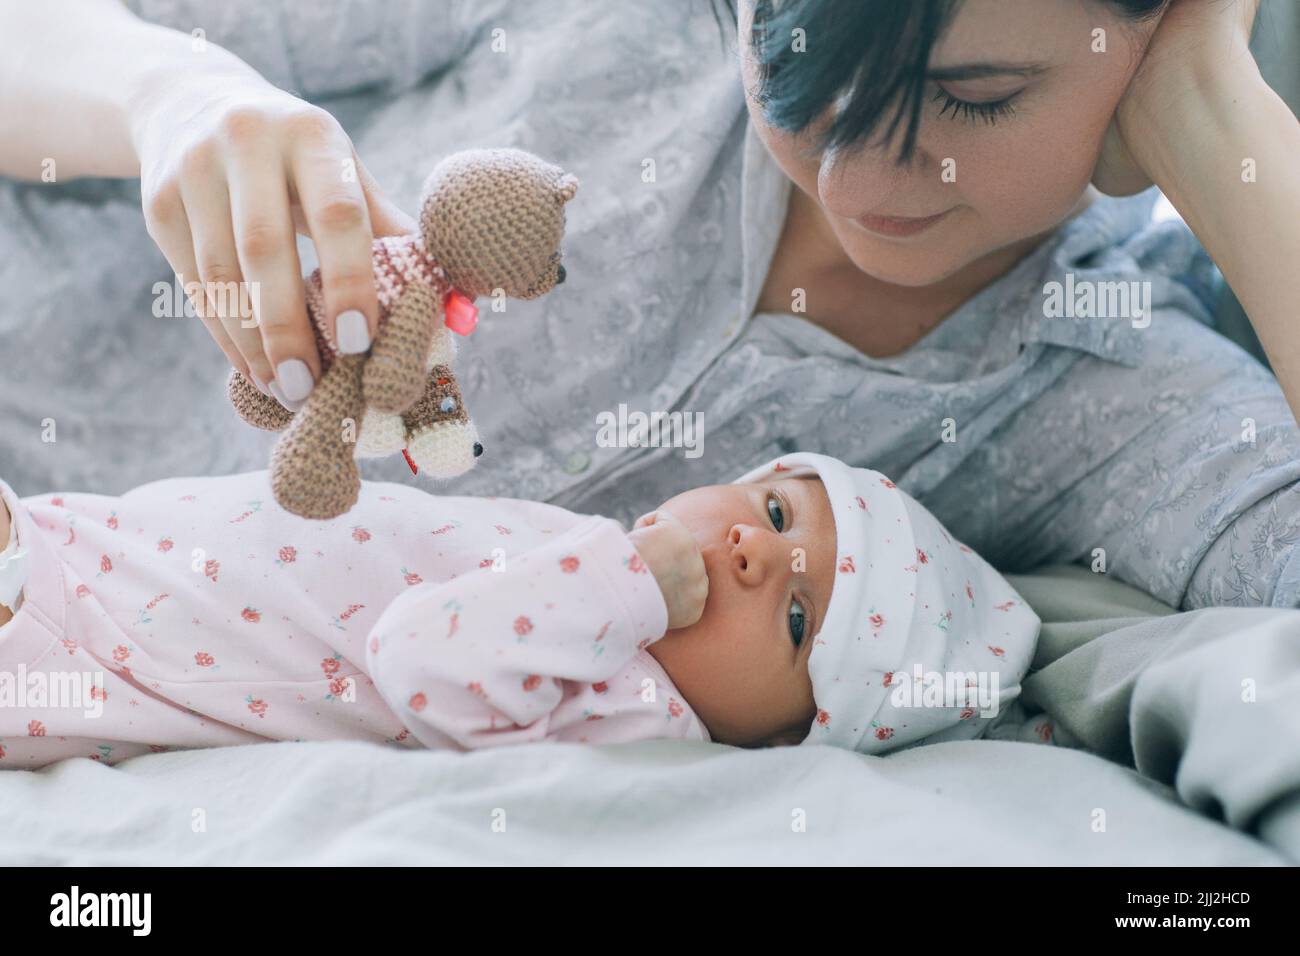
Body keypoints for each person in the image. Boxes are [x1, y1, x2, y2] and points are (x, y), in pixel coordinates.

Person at [0, 0, 1297, 611]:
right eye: (794, 78)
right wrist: (164, 89)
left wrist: (1217, 117)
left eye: (976, 98)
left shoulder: (1115, 397)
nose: (852, 174)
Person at [0, 452, 1038, 768]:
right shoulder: (602, 579)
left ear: (783, 733)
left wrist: (626, 580)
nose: (753, 550)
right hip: (93, 543)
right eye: (774, 508)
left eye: (801, 618)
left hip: (83, 633)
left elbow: (418, 655)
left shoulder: (641, 714)